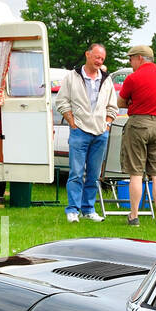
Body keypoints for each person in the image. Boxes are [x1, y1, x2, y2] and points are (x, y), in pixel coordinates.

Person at [54, 43, 117, 223]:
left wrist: (107, 124)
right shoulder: (72, 77)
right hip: (79, 131)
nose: (99, 61)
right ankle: (73, 209)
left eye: (102, 59)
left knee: (94, 174)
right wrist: (72, 122)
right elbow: (61, 101)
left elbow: (112, 105)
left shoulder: (107, 79)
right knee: (76, 172)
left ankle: (88, 209)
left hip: (100, 132)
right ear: (88, 55)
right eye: (97, 57)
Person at [117, 44, 156, 227]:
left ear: (139, 58)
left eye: (131, 58)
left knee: (136, 173)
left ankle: (134, 216)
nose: (130, 62)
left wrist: (134, 101)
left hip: (138, 125)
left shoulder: (133, 78)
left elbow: (121, 101)